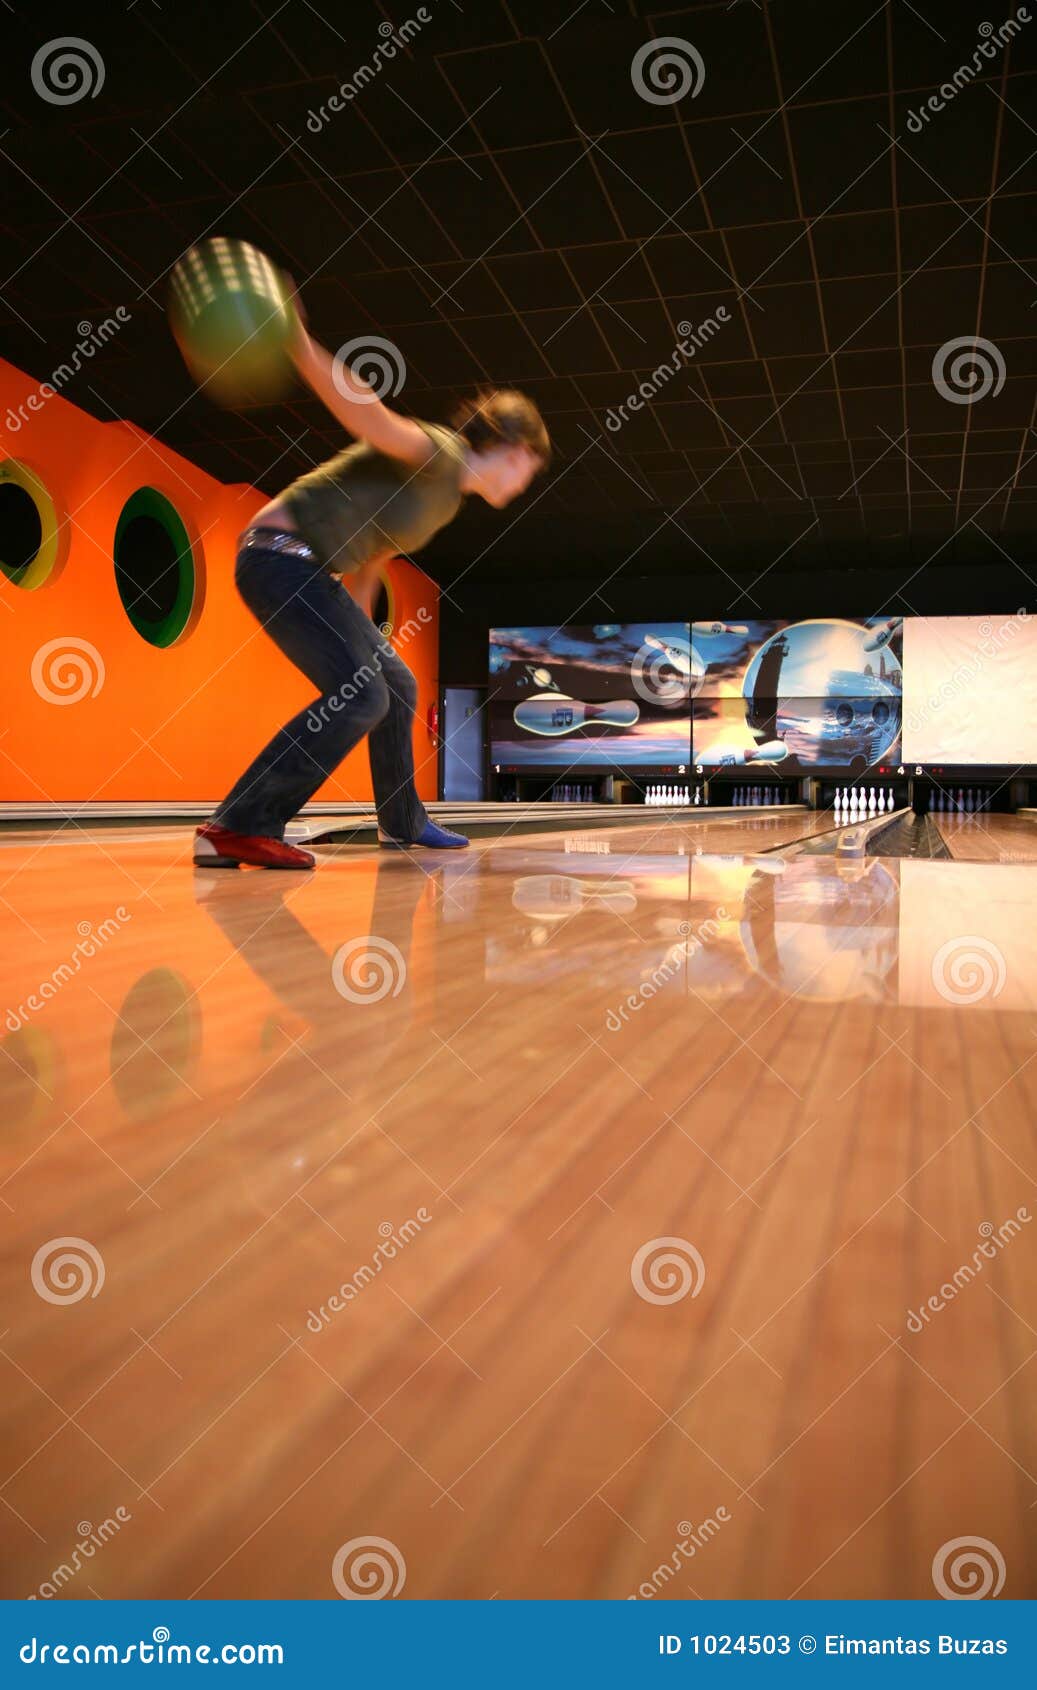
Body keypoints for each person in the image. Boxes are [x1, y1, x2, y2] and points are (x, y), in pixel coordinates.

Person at [194, 310, 551, 870]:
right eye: (527, 468)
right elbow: (370, 416)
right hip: (277, 558)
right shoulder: (439, 454)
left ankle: (402, 820)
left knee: (395, 683)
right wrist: (299, 343)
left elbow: (369, 558)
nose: (524, 482)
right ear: (508, 448)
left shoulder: (444, 503)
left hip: (312, 572)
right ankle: (236, 825)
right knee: (362, 697)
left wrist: (364, 641)